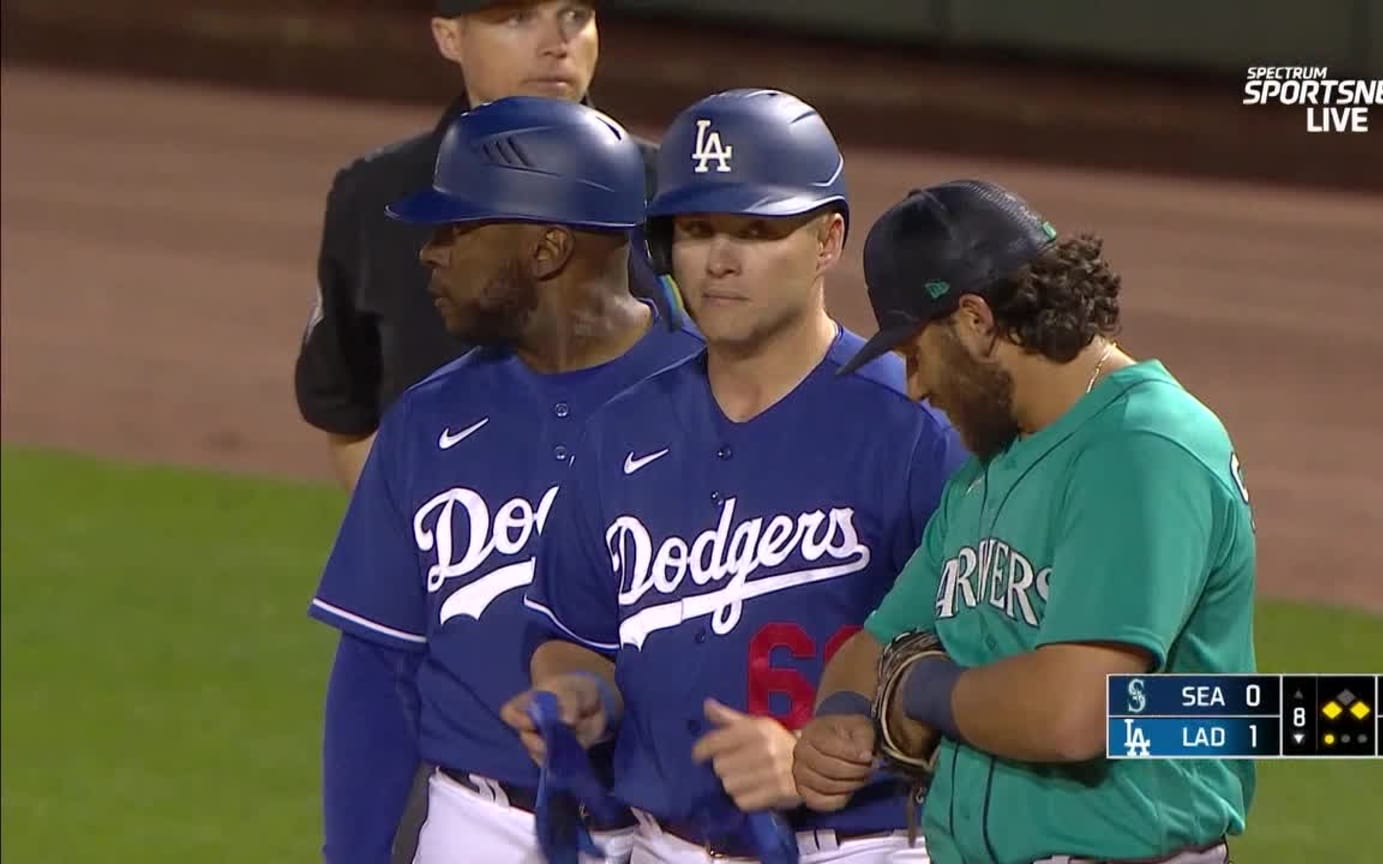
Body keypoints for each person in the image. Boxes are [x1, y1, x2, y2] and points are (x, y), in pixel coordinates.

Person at [500, 89, 968, 863]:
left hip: (862, 844)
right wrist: (581, 695)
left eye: (756, 230)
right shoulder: (620, 432)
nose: (719, 259)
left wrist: (824, 754)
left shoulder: (916, 431)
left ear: (828, 240)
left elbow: (979, 660)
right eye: (697, 229)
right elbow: (572, 636)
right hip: (659, 843)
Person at [792, 179, 1257, 864]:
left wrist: (921, 691)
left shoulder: (1143, 446)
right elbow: (870, 650)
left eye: (917, 353)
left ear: (977, 321)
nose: (916, 386)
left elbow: (1073, 714)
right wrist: (840, 720)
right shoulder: (991, 469)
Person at [307, 96, 702, 864]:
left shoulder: (710, 410)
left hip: (671, 831)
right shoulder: (429, 420)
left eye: (459, 229)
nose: (430, 252)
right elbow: (376, 669)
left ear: (548, 248)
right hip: (472, 825)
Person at [295, 0, 671, 494]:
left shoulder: (669, 192)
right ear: (449, 36)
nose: (556, 42)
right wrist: (405, 549)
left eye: (575, 16)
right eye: (517, 19)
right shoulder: (375, 197)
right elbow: (346, 410)